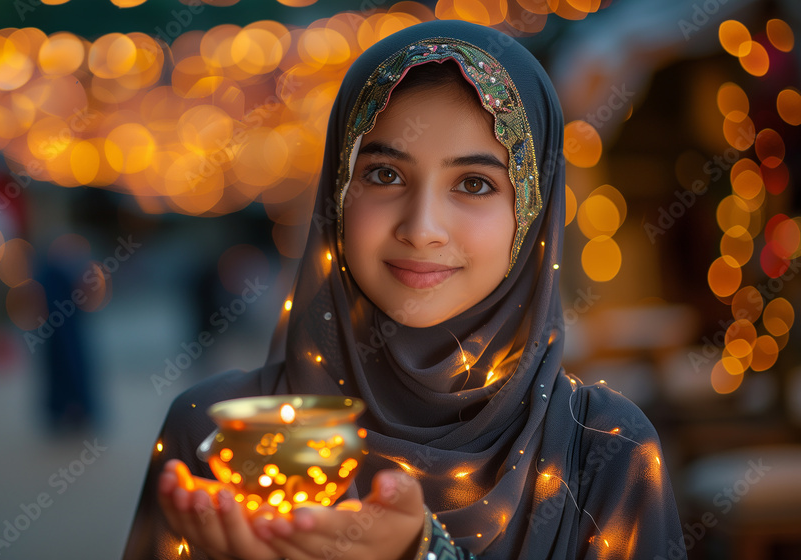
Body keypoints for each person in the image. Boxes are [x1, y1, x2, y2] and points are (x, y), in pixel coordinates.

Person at [122, 19, 686, 560]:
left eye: (474, 183)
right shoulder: (223, 437)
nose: (421, 228)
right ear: (338, 192)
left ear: (533, 214)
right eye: (385, 174)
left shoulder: (604, 448)